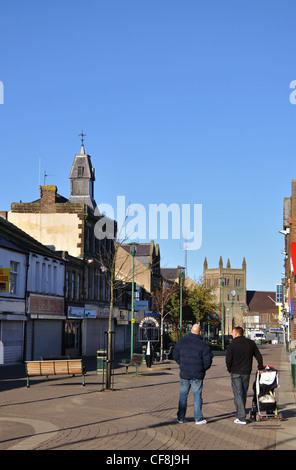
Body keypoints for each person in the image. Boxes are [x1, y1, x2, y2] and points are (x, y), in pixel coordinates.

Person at [173, 323, 213, 425]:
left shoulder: (181, 342)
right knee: (197, 396)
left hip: (184, 372)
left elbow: (175, 354)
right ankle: (198, 418)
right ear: (200, 332)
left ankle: (180, 418)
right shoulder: (203, 344)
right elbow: (208, 360)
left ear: (191, 331)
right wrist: (202, 368)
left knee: (183, 396)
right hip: (197, 373)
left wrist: (182, 364)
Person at [226, 326, 264, 425]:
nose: (231, 334)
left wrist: (229, 369)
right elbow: (259, 356)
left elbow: (228, 359)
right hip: (246, 372)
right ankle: (239, 415)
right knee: (243, 393)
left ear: (237, 334)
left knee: (238, 394)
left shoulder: (232, 344)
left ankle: (241, 417)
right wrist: (260, 367)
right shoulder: (250, 343)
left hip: (235, 372)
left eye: (232, 333)